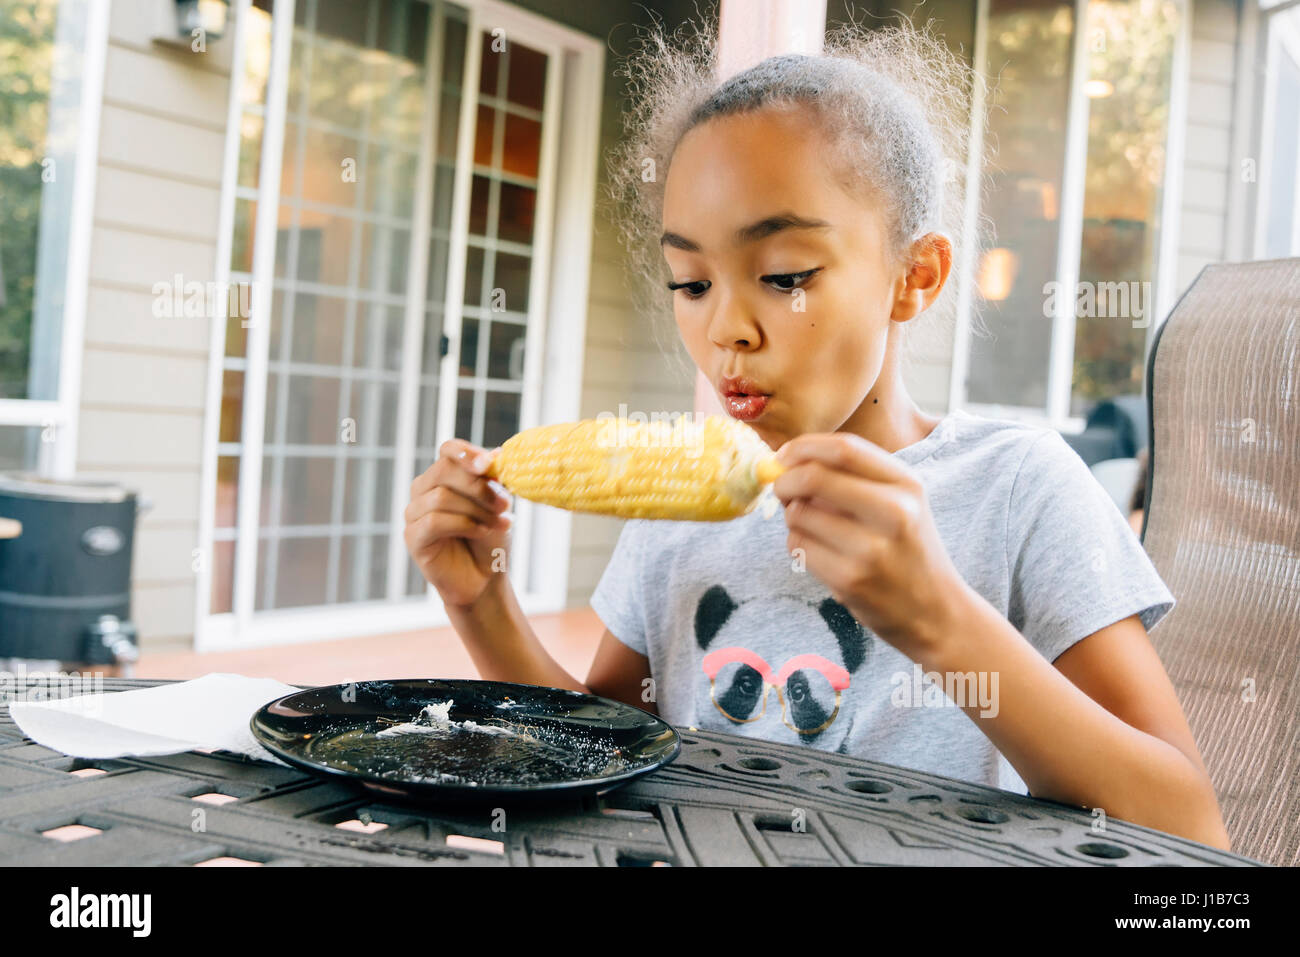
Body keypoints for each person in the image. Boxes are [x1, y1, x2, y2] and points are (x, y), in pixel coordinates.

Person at [403, 16, 1229, 850]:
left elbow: (1186, 826)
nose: (727, 327)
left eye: (783, 277)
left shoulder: (1018, 487)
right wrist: (484, 605)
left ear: (916, 276)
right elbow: (608, 756)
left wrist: (941, 619)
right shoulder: (673, 524)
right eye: (690, 282)